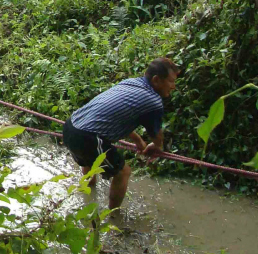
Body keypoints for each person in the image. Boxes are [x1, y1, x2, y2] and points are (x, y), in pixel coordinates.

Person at [62, 58, 178, 211]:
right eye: (171, 81)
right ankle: (113, 216)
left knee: (89, 162)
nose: (173, 86)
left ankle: (86, 199)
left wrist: (138, 140)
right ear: (156, 80)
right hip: (87, 137)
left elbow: (118, 115)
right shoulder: (153, 101)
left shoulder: (130, 83)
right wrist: (157, 146)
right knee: (123, 172)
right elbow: (156, 136)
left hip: (71, 125)